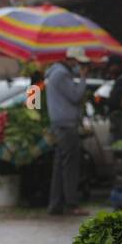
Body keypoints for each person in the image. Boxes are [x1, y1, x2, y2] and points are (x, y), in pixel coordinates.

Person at [45, 48, 91, 216]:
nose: (80, 66)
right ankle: (72, 204)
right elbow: (76, 96)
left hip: (60, 124)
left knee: (60, 167)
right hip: (66, 125)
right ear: (71, 60)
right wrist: (84, 78)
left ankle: (55, 204)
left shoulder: (55, 73)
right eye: (79, 63)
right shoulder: (62, 74)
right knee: (70, 167)